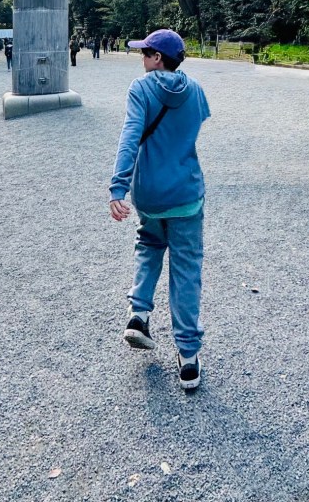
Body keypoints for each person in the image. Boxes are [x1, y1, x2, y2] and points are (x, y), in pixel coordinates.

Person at [109, 29, 211, 391]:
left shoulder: (142, 88)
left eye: (145, 53)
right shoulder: (196, 89)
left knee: (149, 246)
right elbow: (196, 126)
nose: (142, 59)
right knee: (186, 269)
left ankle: (138, 314)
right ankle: (188, 358)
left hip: (149, 193)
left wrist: (118, 186)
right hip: (186, 192)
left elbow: (130, 135)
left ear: (157, 58)